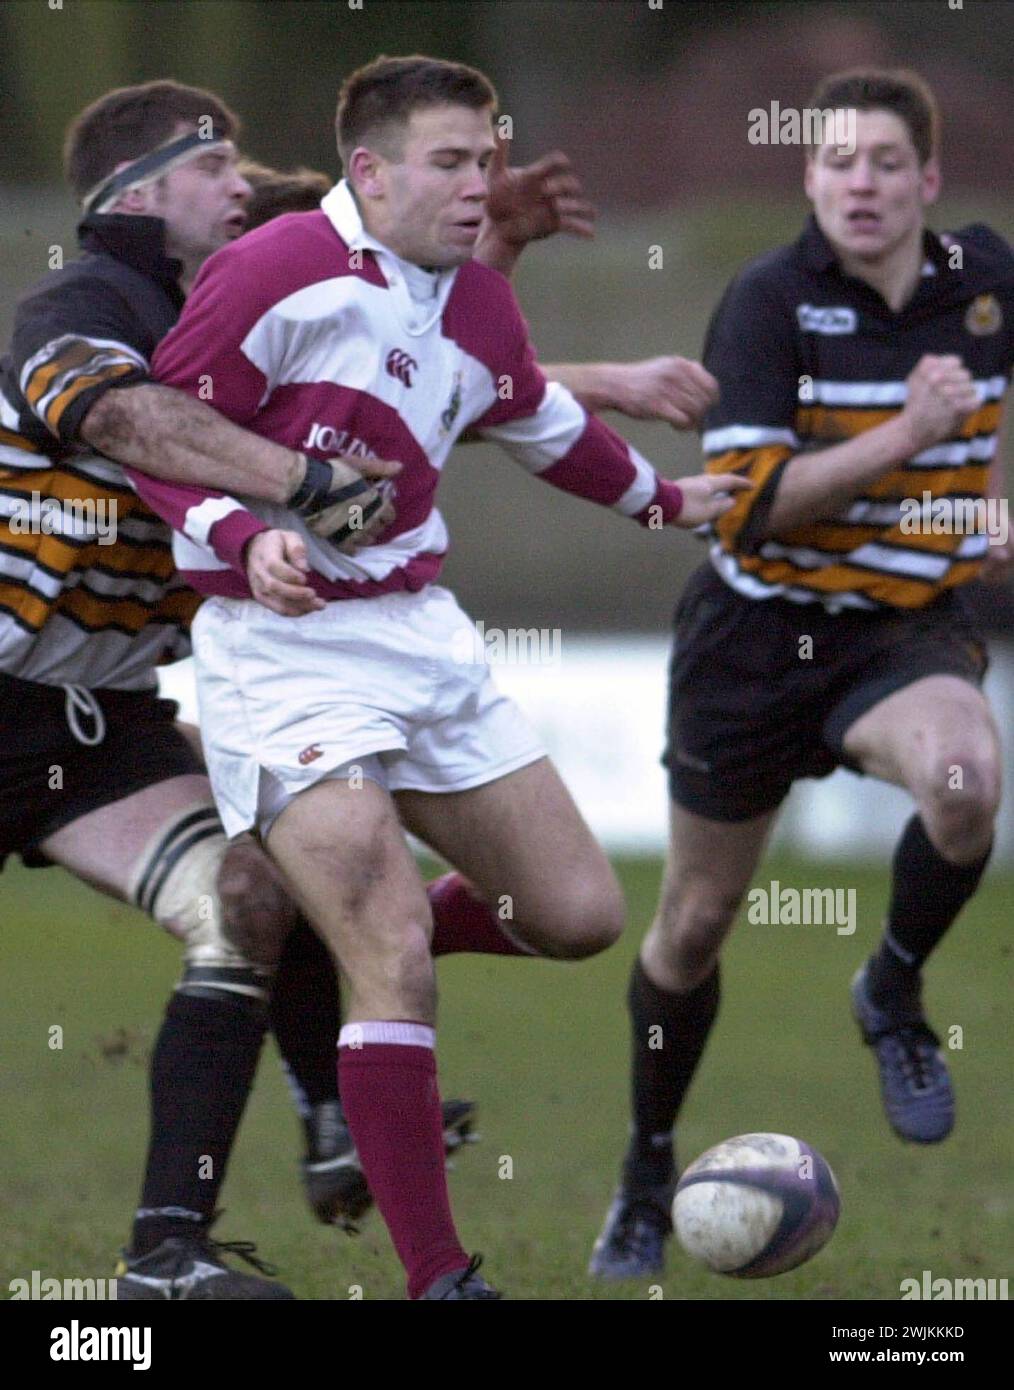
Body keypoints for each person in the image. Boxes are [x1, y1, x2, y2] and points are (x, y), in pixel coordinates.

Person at [126, 53, 747, 1300]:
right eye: (453, 163)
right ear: (372, 170)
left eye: (490, 159)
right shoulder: (277, 268)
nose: (482, 187)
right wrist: (250, 538)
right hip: (283, 653)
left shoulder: (473, 298)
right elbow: (158, 438)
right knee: (393, 943)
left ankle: (337, 941)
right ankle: (438, 1275)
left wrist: (669, 501)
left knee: (576, 916)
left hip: (421, 637)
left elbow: (540, 425)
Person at [0, 78, 561, 1297]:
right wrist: (305, 485)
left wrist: (527, 289)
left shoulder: (247, 302)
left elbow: (414, 374)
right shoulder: (82, 306)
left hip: (96, 720)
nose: (245, 182)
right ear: (138, 195)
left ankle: (167, 1253)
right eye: (220, 165)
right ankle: (330, 1107)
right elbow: (126, 420)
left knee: (258, 888)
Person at [589, 67, 1013, 1281]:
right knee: (694, 921)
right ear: (810, 178)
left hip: (898, 631)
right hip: (755, 639)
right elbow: (751, 518)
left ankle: (891, 988)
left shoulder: (987, 283)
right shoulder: (770, 303)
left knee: (965, 776)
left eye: (886, 162)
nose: (861, 185)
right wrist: (909, 439)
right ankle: (646, 1163)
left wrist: (991, 505)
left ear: (928, 180)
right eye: (838, 164)